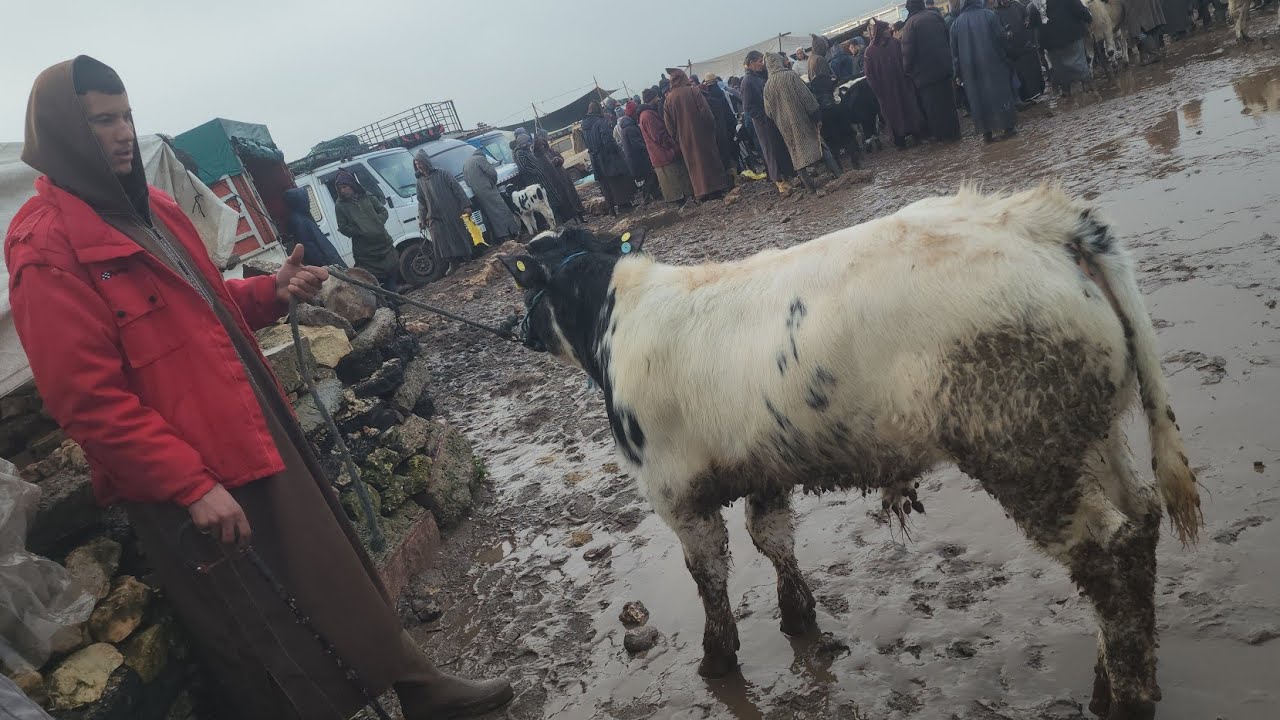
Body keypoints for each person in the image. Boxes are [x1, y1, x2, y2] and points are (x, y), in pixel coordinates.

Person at [6, 56, 514, 720]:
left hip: (253, 427)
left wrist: (272, 292)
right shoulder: (47, 248)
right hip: (195, 473)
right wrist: (189, 484)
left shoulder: (155, 209)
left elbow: (207, 307)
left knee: (334, 572)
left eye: (127, 116)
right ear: (65, 133)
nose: (124, 133)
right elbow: (85, 401)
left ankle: (415, 684)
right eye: (103, 121)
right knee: (265, 626)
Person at [951, 0, 1020, 142]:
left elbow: (955, 54)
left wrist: (957, 74)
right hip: (994, 63)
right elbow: (1001, 38)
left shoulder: (955, 25)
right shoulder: (989, 15)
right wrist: (1008, 53)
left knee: (978, 99)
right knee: (1001, 94)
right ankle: (1008, 127)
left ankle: (986, 133)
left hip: (969, 70)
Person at [763, 52, 828, 192]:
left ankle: (810, 187)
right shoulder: (790, 75)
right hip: (803, 120)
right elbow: (806, 97)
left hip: (785, 127)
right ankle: (837, 173)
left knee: (796, 155)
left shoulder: (767, 86)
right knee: (818, 144)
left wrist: (780, 118)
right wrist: (816, 115)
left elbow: (768, 112)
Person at [662, 69, 729, 201]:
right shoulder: (693, 91)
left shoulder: (668, 99)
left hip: (684, 139)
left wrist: (677, 138)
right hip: (703, 134)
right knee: (709, 160)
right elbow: (706, 113)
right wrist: (711, 129)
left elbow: (669, 125)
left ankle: (701, 192)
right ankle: (716, 188)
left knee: (694, 165)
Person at [901, 0, 963, 142]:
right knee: (949, 103)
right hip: (944, 68)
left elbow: (907, 52)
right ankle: (955, 132)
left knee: (934, 107)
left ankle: (942, 136)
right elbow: (948, 38)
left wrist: (907, 69)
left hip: (925, 75)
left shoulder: (910, 25)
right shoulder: (934, 16)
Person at [864, 19, 928, 149]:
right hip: (891, 89)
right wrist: (879, 90)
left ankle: (910, 137)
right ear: (881, 31)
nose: (890, 30)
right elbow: (870, 76)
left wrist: (907, 77)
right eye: (887, 28)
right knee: (899, 113)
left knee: (905, 111)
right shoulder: (872, 51)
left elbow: (906, 60)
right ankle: (904, 140)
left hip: (898, 86)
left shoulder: (892, 44)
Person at [742, 50, 797, 195]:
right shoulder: (747, 81)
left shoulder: (757, 77)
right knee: (771, 151)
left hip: (770, 119)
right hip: (763, 123)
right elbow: (748, 107)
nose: (762, 64)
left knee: (779, 149)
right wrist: (764, 117)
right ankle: (780, 182)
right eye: (759, 61)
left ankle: (786, 177)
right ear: (751, 63)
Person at [334, 170, 400, 291]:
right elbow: (343, 227)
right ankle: (387, 299)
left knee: (391, 270)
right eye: (340, 188)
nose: (342, 191)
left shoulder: (367, 196)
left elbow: (383, 211)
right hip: (365, 251)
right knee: (374, 280)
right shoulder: (340, 205)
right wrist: (361, 230)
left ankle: (393, 294)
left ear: (351, 185)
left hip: (383, 243)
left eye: (344, 187)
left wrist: (376, 223)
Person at [413, 151, 472, 274]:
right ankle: (452, 263)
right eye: (416, 164)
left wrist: (466, 205)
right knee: (440, 240)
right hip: (434, 216)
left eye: (420, 163)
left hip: (452, 211)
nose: (418, 166)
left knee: (458, 235)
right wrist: (422, 219)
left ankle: (467, 258)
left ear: (426, 162)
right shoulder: (420, 182)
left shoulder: (443, 173)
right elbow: (421, 202)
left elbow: (457, 189)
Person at [806, 34, 859, 171]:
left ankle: (839, 168)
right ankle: (855, 162)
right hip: (830, 101)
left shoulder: (811, 59)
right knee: (845, 132)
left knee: (832, 137)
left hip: (822, 104)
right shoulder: (819, 60)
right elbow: (827, 81)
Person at [637, 88, 695, 205]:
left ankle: (681, 202)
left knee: (674, 185)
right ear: (652, 98)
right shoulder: (648, 115)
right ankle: (682, 203)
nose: (659, 99)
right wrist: (673, 145)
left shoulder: (645, 114)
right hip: (664, 155)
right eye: (656, 97)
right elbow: (659, 136)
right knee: (676, 183)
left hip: (660, 155)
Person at [582, 101, 635, 213]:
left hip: (596, 159)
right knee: (617, 181)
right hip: (608, 158)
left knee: (606, 185)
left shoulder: (584, 126)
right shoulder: (600, 122)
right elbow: (608, 141)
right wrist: (617, 149)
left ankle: (612, 208)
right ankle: (624, 205)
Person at [515, 131, 576, 224]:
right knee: (546, 203)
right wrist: (538, 171)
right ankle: (555, 222)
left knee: (553, 200)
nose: (529, 144)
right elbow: (525, 168)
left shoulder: (528, 151)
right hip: (536, 181)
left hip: (543, 179)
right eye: (527, 142)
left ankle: (560, 220)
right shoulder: (520, 154)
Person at [462, 147, 520, 243]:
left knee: (491, 214)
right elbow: (492, 173)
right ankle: (513, 232)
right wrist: (492, 183)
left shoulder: (466, 164)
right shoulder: (480, 159)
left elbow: (467, 182)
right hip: (489, 190)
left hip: (478, 194)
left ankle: (502, 236)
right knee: (502, 210)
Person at [1040, 0, 1096, 97]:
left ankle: (1067, 92)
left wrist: (1041, 44)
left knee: (1060, 68)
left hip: (1050, 42)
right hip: (1071, 36)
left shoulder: (1037, 3)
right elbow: (1080, 10)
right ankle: (1087, 89)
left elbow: (1034, 22)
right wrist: (1089, 18)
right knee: (1078, 63)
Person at [996, 0, 1047, 102]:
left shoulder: (1016, 4)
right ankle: (1026, 97)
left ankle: (1038, 91)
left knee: (1033, 68)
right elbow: (998, 31)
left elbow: (1026, 15)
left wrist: (1027, 20)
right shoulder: (996, 12)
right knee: (1021, 73)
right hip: (1013, 49)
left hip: (1026, 43)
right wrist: (1006, 34)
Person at [283, 187, 345, 267]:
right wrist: (327, 265)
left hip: (327, 262)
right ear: (300, 201)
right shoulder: (300, 222)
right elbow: (309, 247)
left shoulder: (302, 217)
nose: (309, 201)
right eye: (307, 199)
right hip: (327, 263)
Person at [533, 128, 586, 220]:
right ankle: (573, 216)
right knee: (566, 198)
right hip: (555, 180)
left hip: (563, 175)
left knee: (572, 195)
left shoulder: (550, 150)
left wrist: (558, 160)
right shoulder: (539, 156)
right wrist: (552, 164)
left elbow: (560, 158)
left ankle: (579, 213)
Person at [701, 73, 742, 182]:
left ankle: (731, 177)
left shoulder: (708, 98)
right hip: (730, 125)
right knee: (734, 150)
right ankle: (738, 171)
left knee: (725, 154)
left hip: (719, 129)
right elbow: (738, 100)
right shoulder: (724, 92)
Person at [619, 101, 661, 201]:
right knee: (651, 176)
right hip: (639, 159)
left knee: (650, 176)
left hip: (635, 159)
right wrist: (649, 146)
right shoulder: (630, 128)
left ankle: (654, 195)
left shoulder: (627, 126)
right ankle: (647, 196)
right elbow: (638, 144)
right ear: (632, 113)